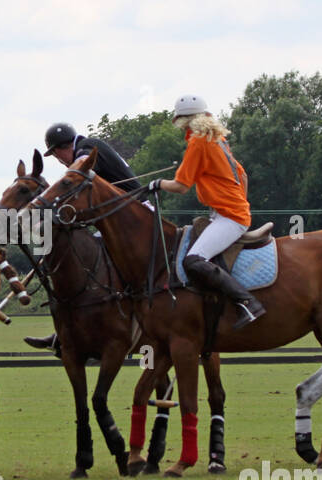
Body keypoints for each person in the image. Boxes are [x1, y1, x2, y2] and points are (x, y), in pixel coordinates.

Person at [147, 95, 264, 329]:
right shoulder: (217, 139)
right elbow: (243, 176)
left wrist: (157, 183)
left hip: (229, 217)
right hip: (230, 213)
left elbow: (180, 186)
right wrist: (241, 202)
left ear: (184, 120)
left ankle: (248, 303)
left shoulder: (198, 142)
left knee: (193, 260)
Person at [24, 123, 142, 353]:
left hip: (133, 212)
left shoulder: (87, 148)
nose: (58, 160)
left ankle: (127, 313)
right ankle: (69, 329)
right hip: (116, 215)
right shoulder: (85, 148)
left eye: (56, 154)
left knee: (92, 257)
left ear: (61, 148)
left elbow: (77, 171)